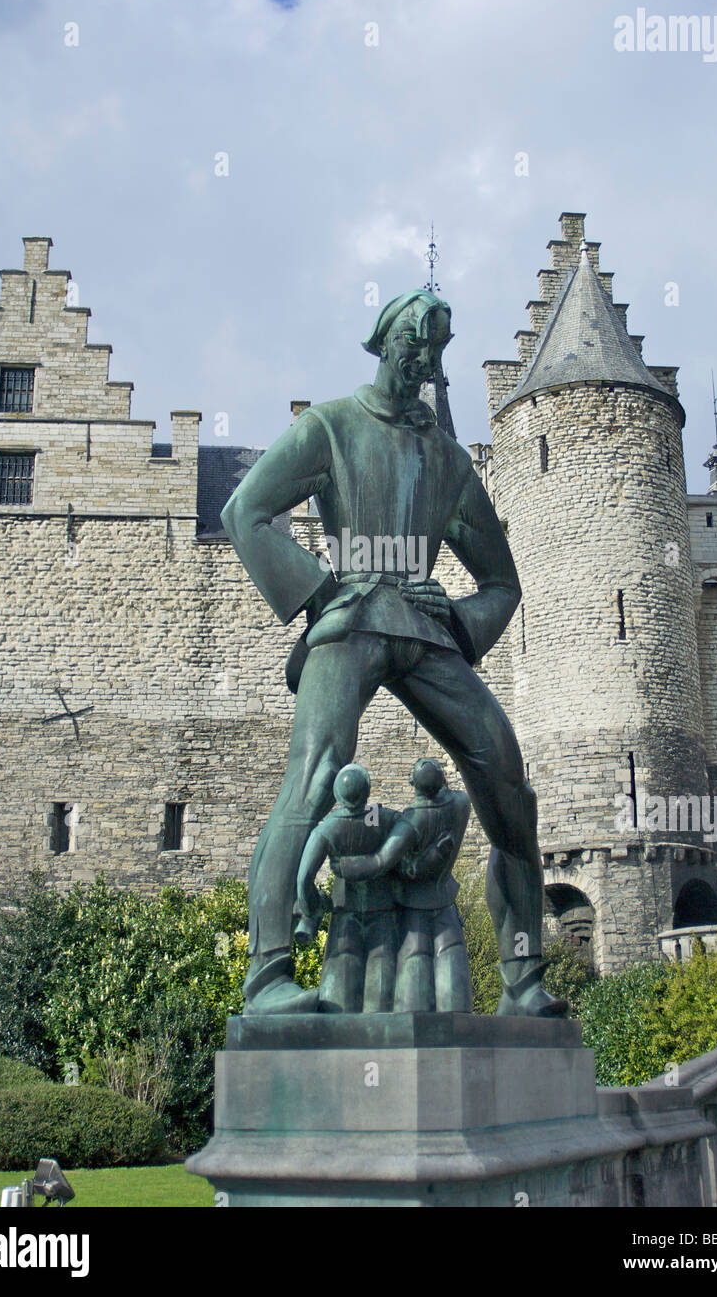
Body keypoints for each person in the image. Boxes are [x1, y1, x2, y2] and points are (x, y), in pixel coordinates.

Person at [222, 288, 566, 1017]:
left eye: (435, 351)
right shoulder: (330, 428)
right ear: (383, 344)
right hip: (351, 620)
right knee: (314, 776)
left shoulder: (447, 460)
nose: (423, 361)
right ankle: (269, 974)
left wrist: (463, 617)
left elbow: (503, 582)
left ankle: (526, 981)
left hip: (427, 631)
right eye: (412, 344)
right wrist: (319, 593)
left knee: (507, 783)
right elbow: (244, 512)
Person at [295, 764, 415, 1013]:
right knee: (380, 999)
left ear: (337, 795)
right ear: (368, 791)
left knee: (338, 1001)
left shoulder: (328, 829)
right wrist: (383, 859)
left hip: (345, 916)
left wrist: (312, 907)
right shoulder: (378, 818)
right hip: (382, 913)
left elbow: (304, 878)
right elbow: (407, 825)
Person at [392, 759, 472, 1013]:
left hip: (414, 905)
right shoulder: (461, 804)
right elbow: (451, 793)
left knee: (414, 964)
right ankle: (457, 1030)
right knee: (451, 957)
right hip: (444, 899)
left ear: (413, 784)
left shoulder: (411, 821)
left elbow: (398, 866)